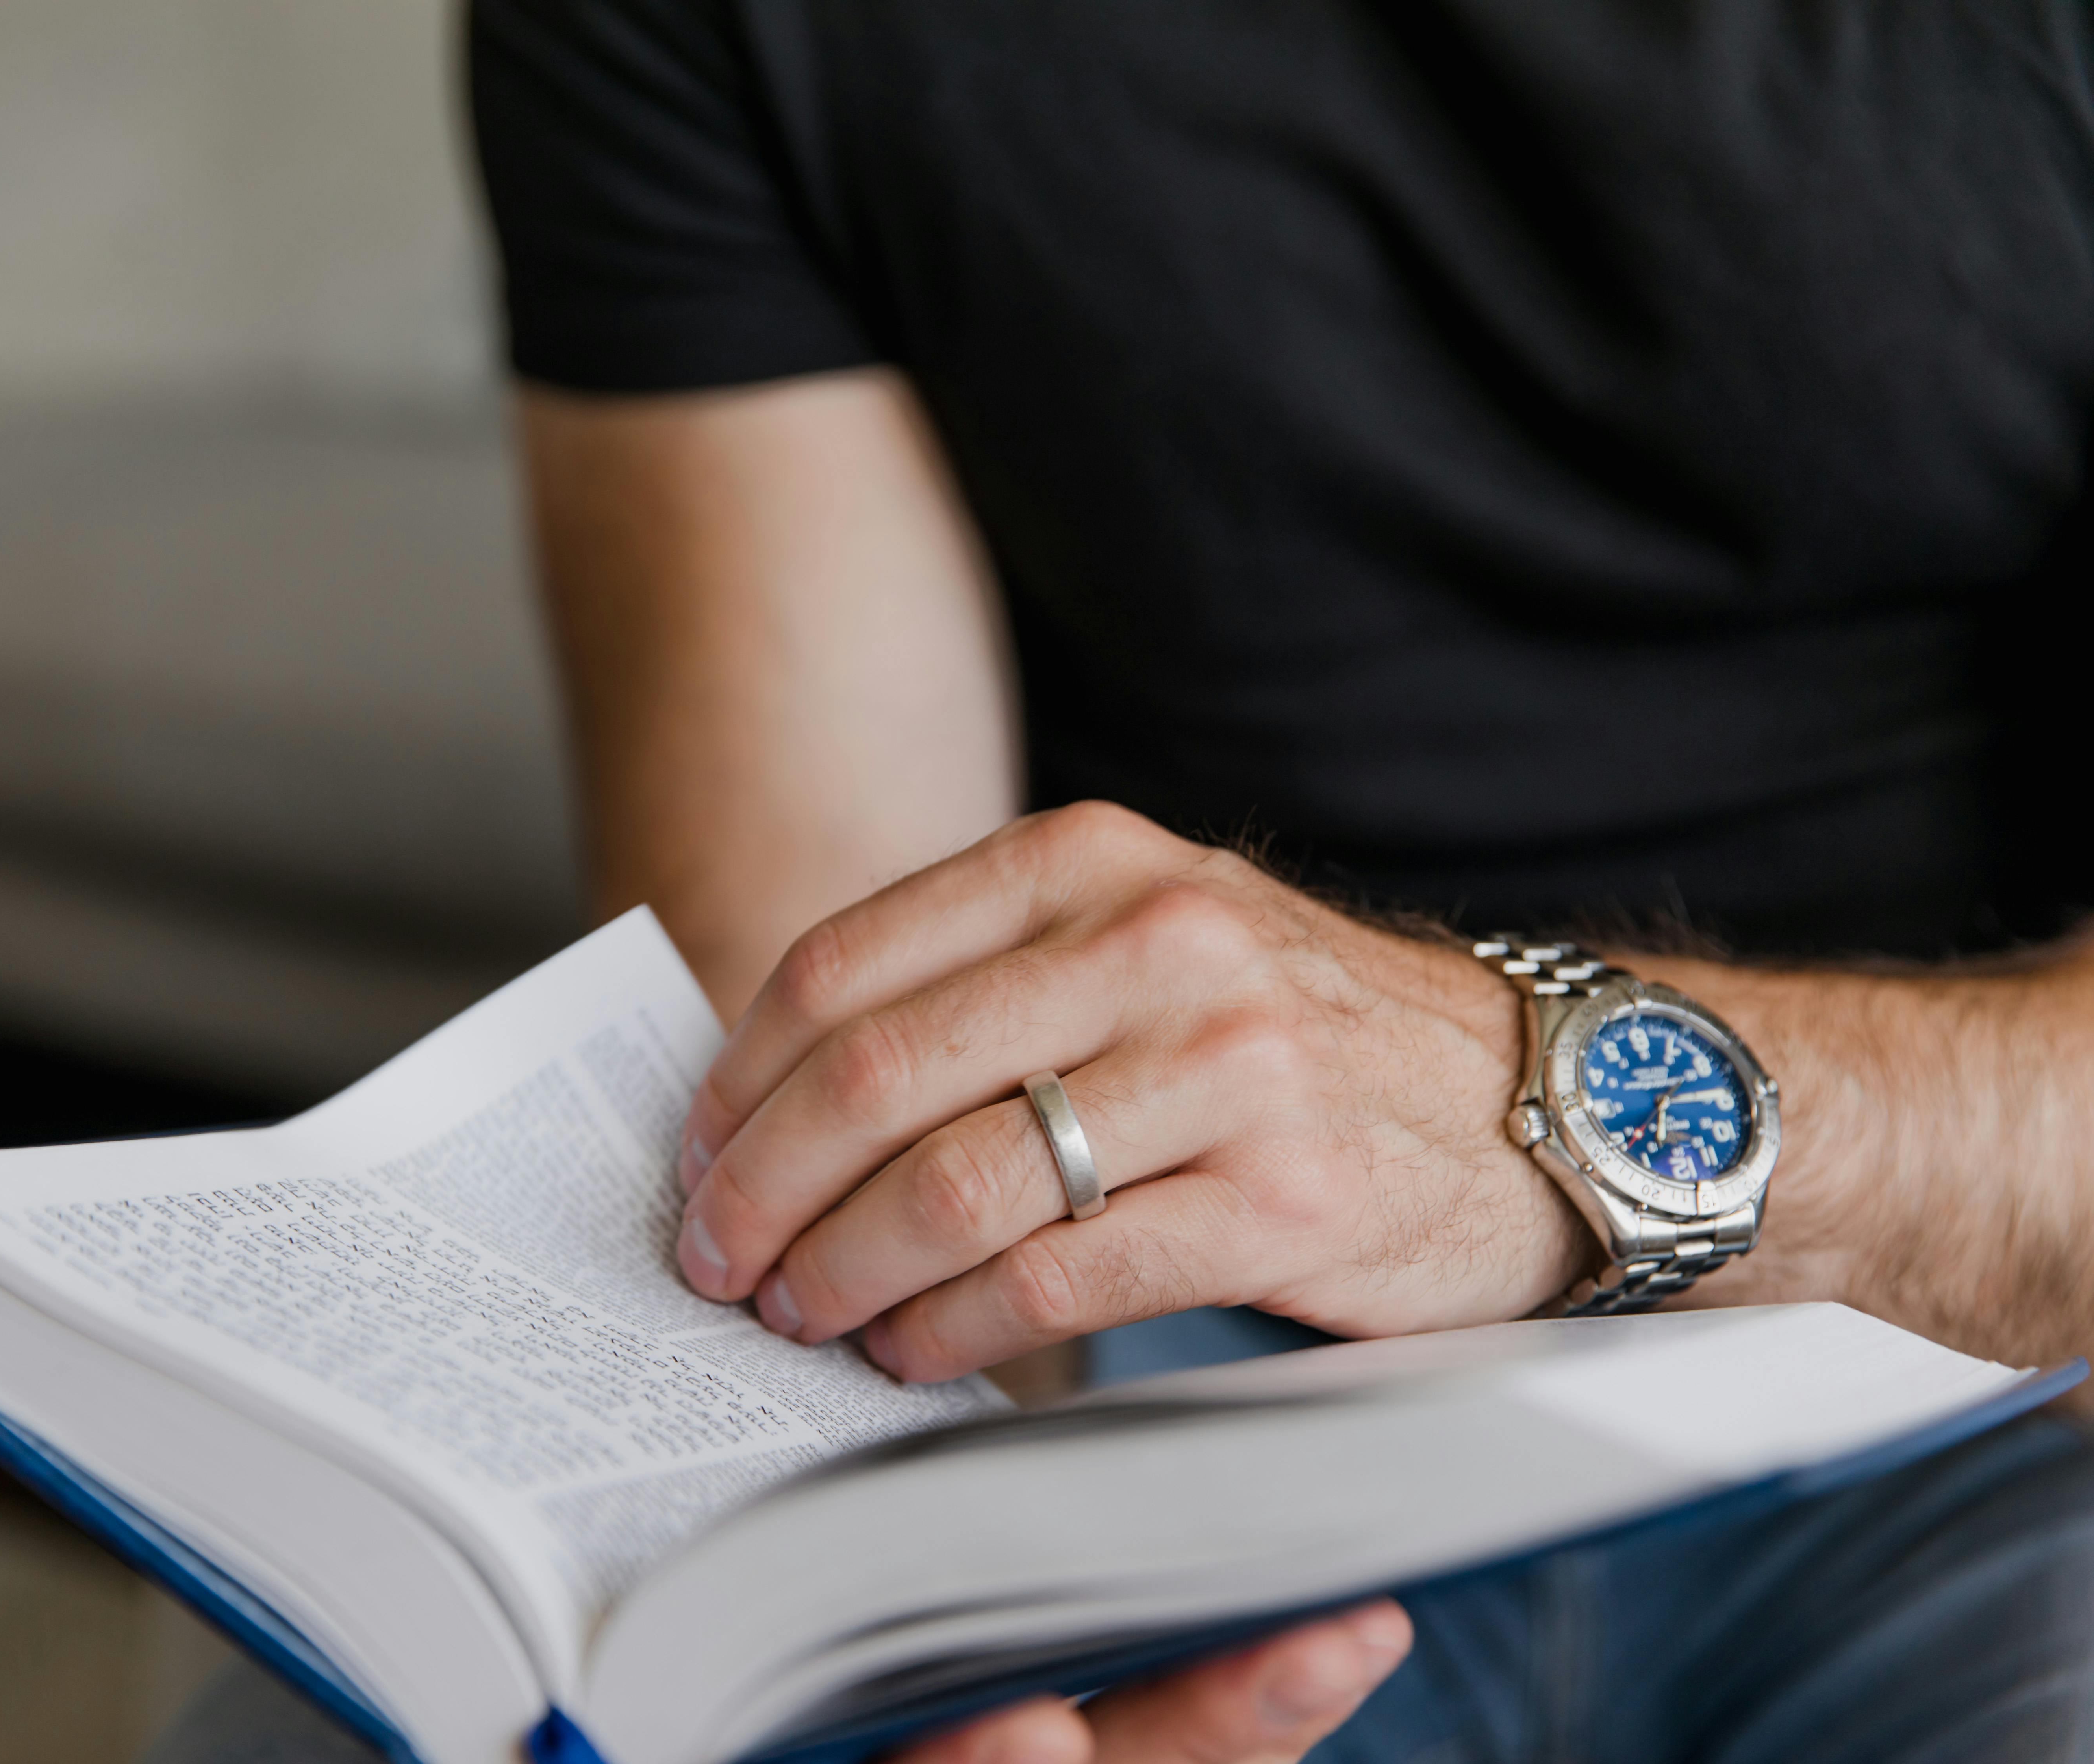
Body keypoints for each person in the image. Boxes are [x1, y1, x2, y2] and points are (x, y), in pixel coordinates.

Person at [152, 5, 2094, 1762]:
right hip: (1174, 1359)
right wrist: (891, 1634)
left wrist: (1530, 1120)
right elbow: (809, 1126)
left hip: (2005, 1359)